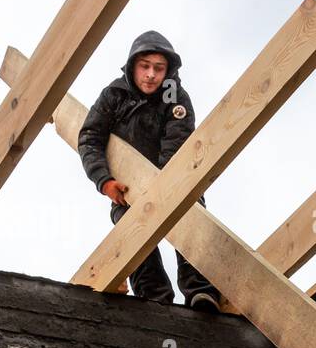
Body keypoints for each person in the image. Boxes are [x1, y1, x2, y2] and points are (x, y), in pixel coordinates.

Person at [77, 30, 221, 310]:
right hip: (127, 189)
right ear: (133, 66)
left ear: (168, 70)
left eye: (159, 68)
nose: (151, 75)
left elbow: (177, 146)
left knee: (192, 217)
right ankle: (153, 299)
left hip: (173, 179)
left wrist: (163, 189)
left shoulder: (176, 98)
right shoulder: (114, 96)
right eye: (145, 66)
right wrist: (104, 181)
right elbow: (90, 138)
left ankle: (201, 292)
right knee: (130, 231)